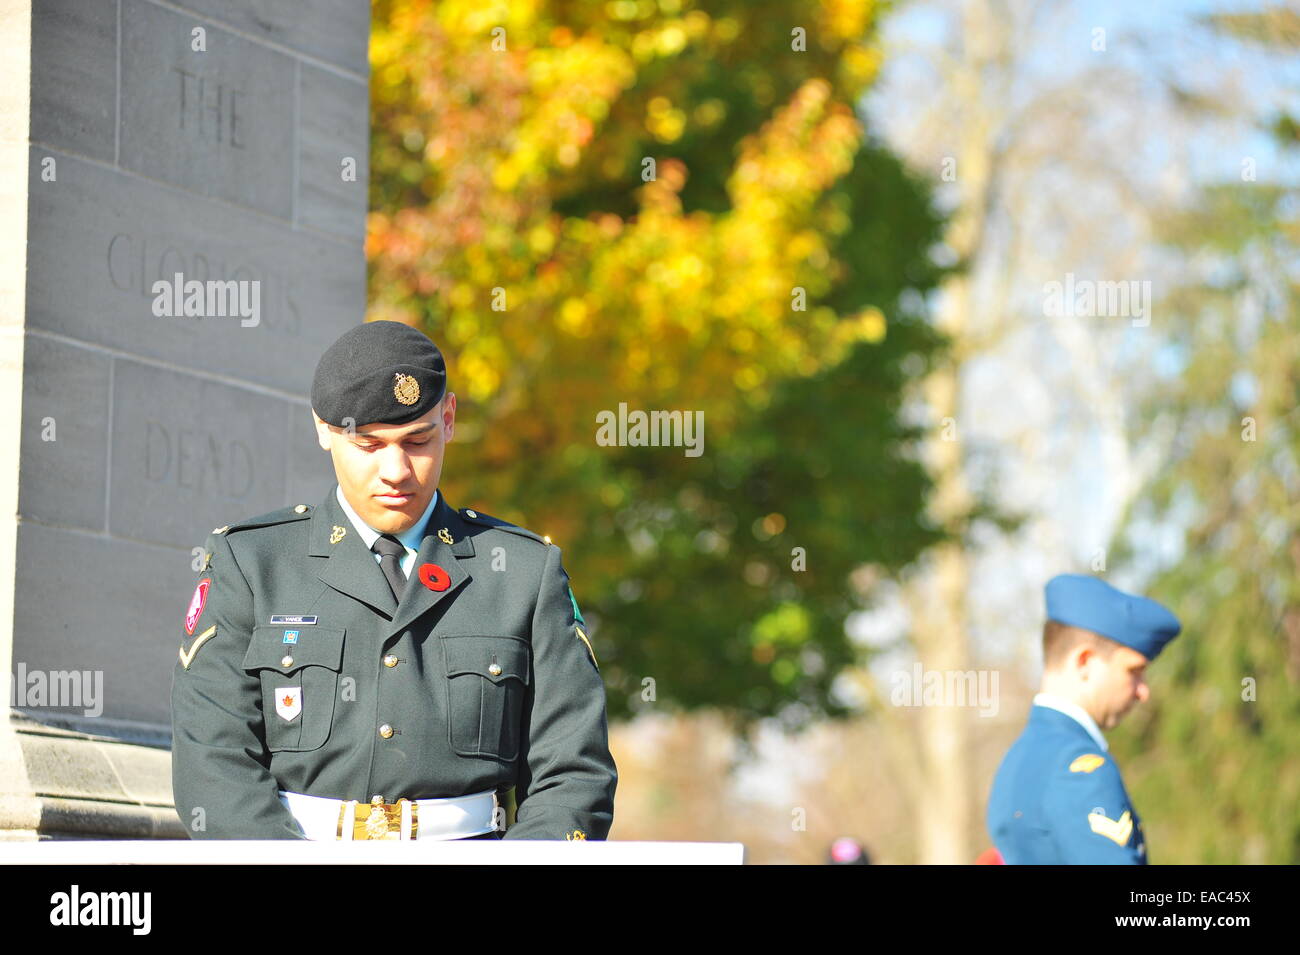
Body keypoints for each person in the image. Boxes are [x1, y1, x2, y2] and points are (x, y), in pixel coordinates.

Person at [171, 320, 617, 841]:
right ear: (323, 429)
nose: (397, 470)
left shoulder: (522, 574)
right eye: (369, 445)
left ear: (448, 418)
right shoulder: (252, 565)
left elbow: (574, 775)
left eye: (418, 440)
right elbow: (214, 765)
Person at [986, 574, 1181, 864]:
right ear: (1085, 662)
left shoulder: (1019, 759)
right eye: (1134, 671)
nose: (1143, 691)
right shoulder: (1079, 770)